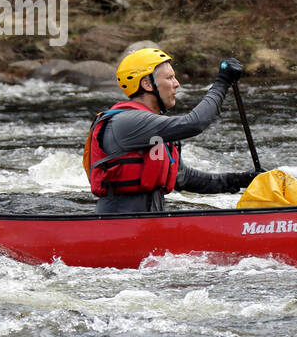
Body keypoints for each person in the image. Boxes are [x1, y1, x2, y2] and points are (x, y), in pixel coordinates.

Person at [84, 48, 255, 214]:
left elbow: (184, 178)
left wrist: (239, 179)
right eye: (170, 78)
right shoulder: (127, 122)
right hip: (118, 227)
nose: (177, 84)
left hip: (149, 224)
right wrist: (222, 83)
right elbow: (194, 124)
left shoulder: (152, 127)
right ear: (147, 84)